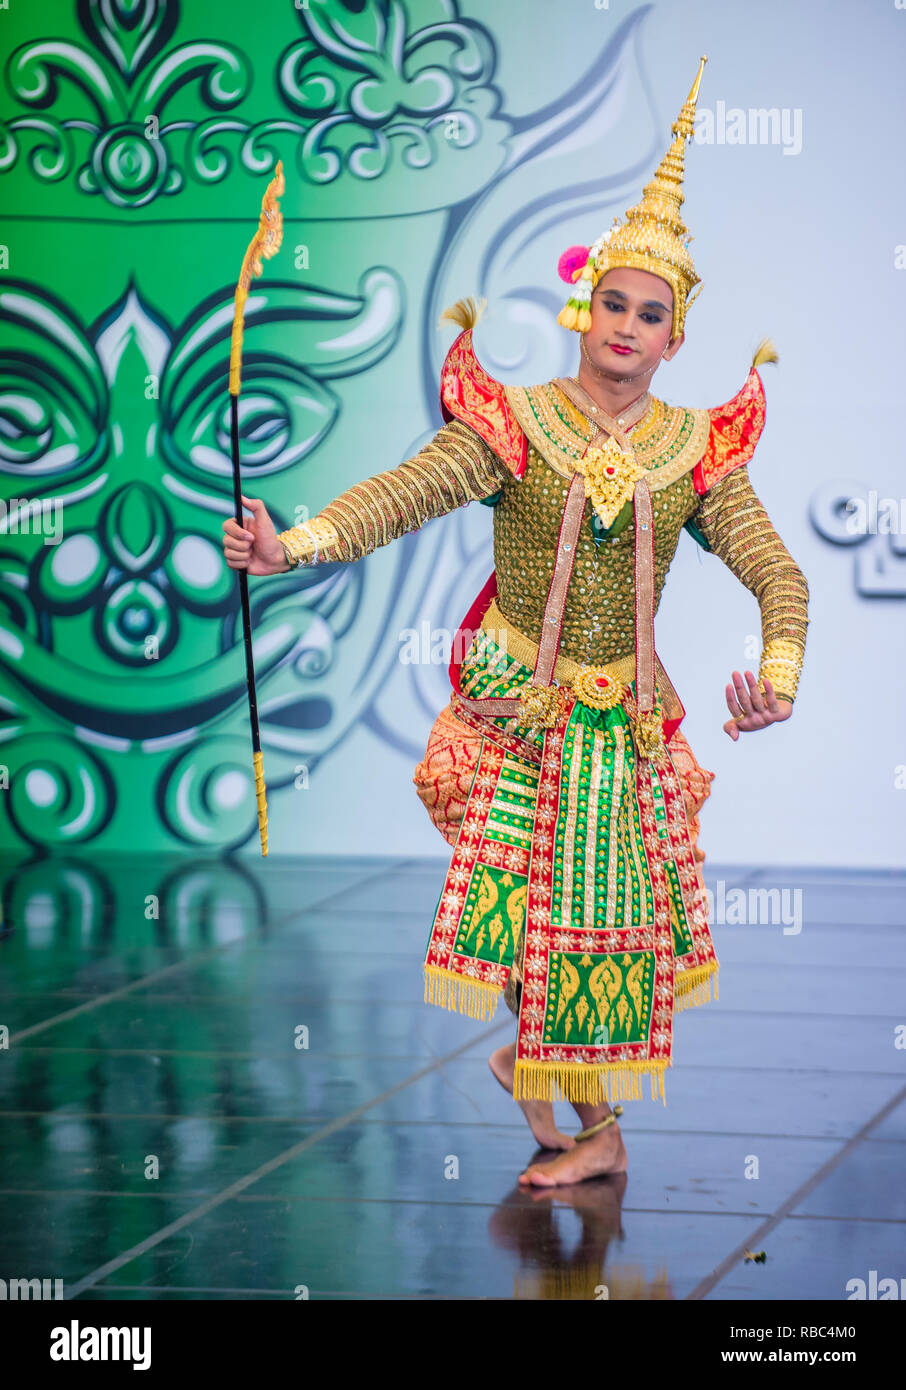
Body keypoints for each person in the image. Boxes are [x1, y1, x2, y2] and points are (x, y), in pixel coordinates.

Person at [222, 56, 809, 1187]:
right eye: (616, 305)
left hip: (621, 728)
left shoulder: (695, 452)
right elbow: (404, 492)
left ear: (676, 338)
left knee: (592, 936)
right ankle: (579, 1109)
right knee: (508, 909)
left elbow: (781, 575)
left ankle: (580, 1110)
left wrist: (776, 673)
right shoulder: (517, 422)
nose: (629, 327)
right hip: (510, 712)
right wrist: (290, 545)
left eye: (655, 314)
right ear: (584, 309)